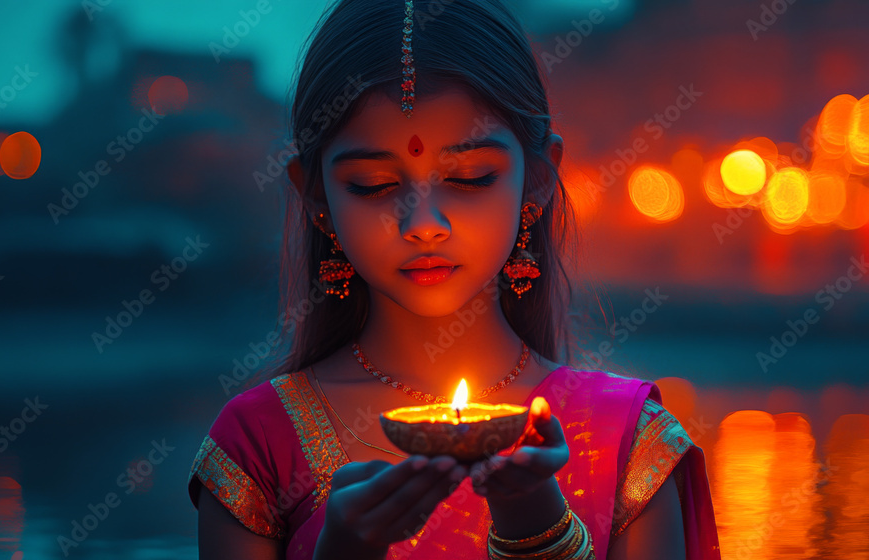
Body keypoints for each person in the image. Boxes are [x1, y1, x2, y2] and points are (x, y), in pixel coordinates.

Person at [188, 0, 722, 558]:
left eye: (469, 178)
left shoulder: (625, 439)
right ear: (316, 196)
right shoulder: (260, 443)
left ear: (537, 183)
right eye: (372, 184)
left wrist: (537, 528)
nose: (423, 225)